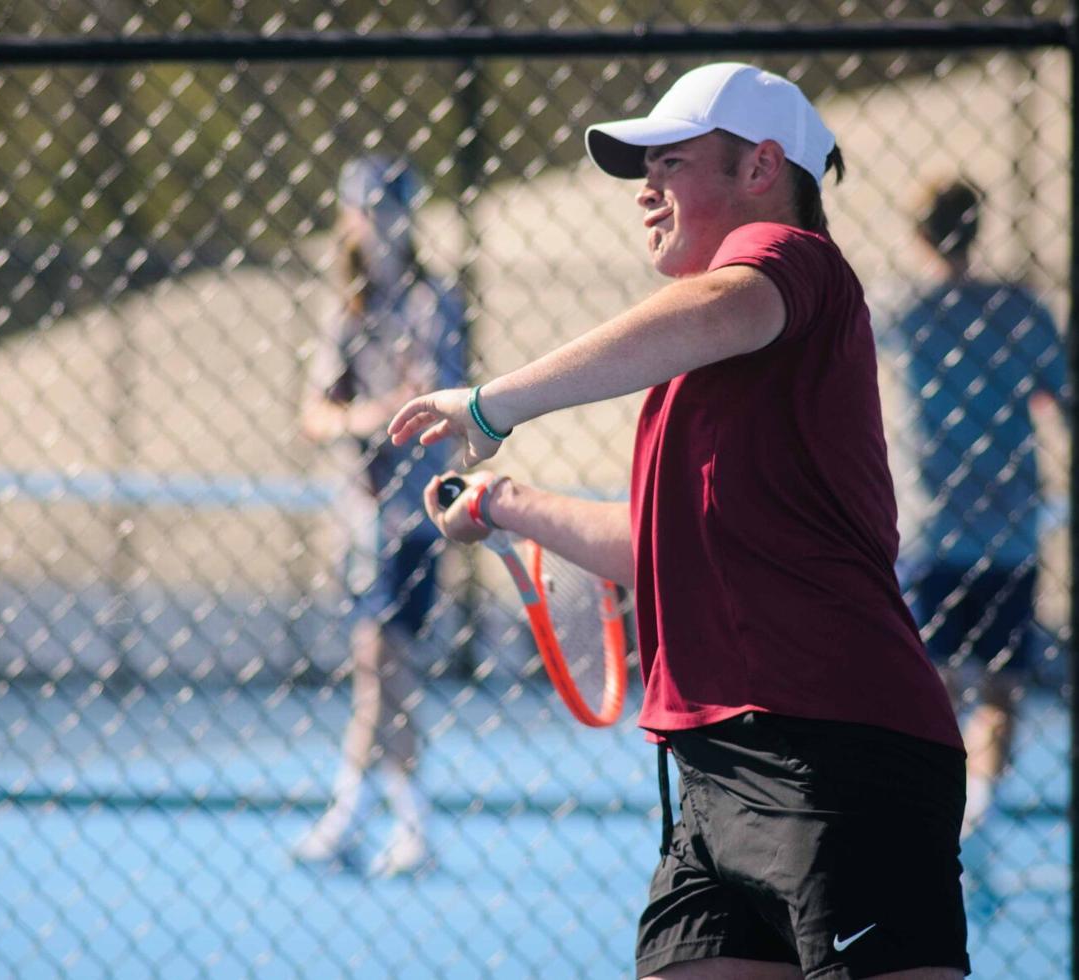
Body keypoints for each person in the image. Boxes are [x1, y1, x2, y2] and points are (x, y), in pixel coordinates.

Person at [389, 63, 969, 978]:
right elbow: (662, 547)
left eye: (671, 163)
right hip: (711, 772)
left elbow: (712, 305)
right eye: (642, 170)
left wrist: (494, 405)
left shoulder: (794, 264)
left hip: (842, 747)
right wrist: (507, 503)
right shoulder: (701, 362)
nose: (644, 192)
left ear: (761, 167)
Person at [290, 156, 467, 877]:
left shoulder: (437, 303)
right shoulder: (346, 311)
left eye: (393, 208)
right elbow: (314, 415)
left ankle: (373, 818)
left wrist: (414, 412)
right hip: (361, 514)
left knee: (383, 662)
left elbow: (452, 406)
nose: (381, 222)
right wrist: (364, 415)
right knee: (380, 668)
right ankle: (382, 820)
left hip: (418, 514)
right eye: (369, 208)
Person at [889, 178, 1067, 839]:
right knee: (1001, 684)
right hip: (1011, 527)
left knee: (930, 679)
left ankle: (932, 804)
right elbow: (1062, 394)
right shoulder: (1021, 309)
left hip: (933, 527)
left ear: (918, 233)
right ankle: (979, 807)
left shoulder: (906, 308)